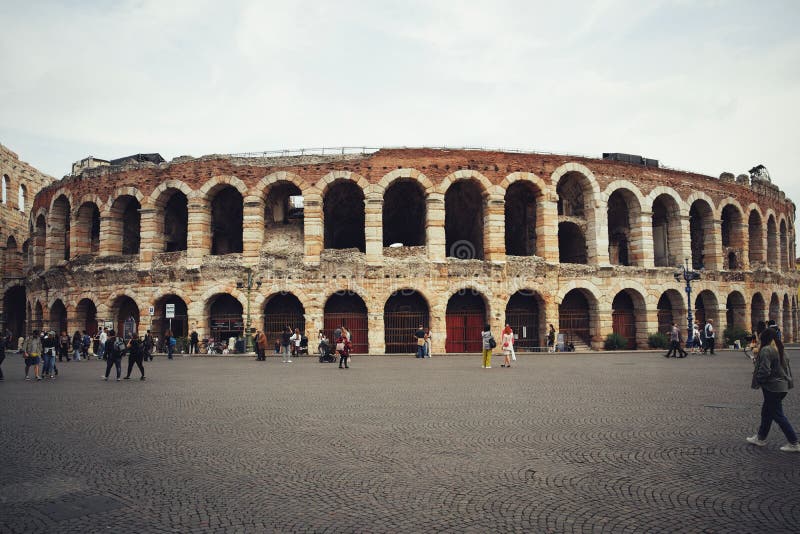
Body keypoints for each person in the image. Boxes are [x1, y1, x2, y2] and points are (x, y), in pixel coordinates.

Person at [746, 326, 799, 452]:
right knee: (767, 412)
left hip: (772, 387)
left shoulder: (766, 350)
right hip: (782, 386)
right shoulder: (781, 349)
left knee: (777, 415)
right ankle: (760, 437)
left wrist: (760, 380)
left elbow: (765, 370)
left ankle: (794, 442)